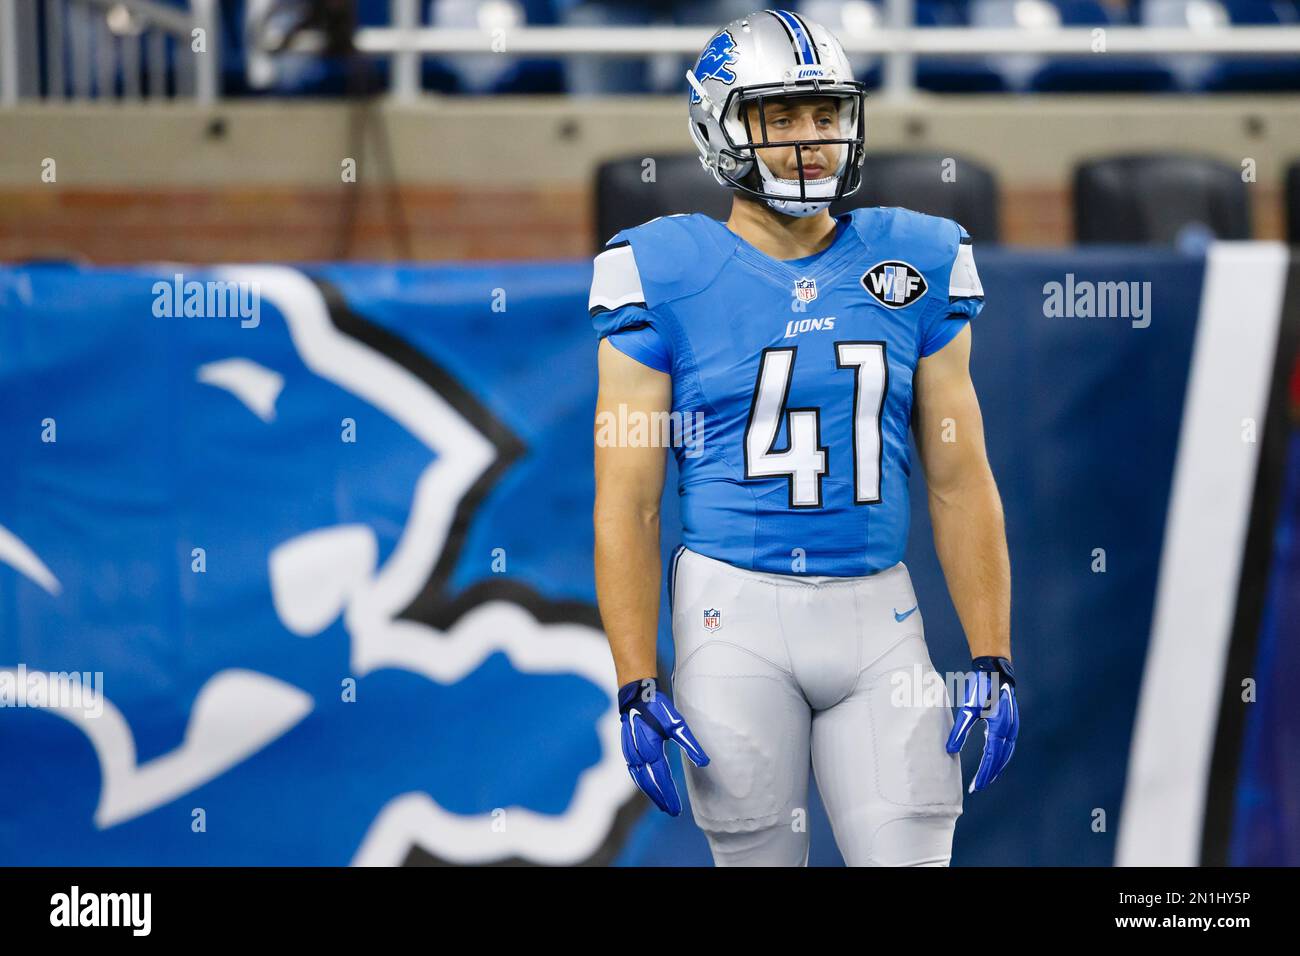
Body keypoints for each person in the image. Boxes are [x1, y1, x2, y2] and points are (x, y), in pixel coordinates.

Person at [590, 8, 1017, 866]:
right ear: (719, 125)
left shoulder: (916, 258)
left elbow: (960, 478)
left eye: (825, 114)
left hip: (879, 615)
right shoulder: (662, 267)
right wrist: (636, 673)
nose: (810, 139)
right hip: (731, 615)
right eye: (779, 117)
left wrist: (993, 653)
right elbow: (629, 501)